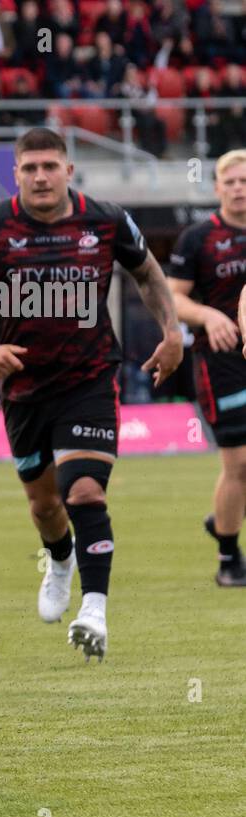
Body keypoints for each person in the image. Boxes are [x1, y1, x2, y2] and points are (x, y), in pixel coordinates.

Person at [0, 127, 183, 661]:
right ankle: (61, 558)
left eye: (50, 166)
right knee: (45, 504)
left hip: (89, 378)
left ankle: (94, 609)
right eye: (30, 168)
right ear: (17, 174)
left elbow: (148, 274)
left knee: (85, 491)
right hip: (23, 388)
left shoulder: (107, 219)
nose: (41, 176)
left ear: (69, 171)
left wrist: (171, 332)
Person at [167, 149, 246, 587]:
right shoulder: (199, 238)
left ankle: (224, 519)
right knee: (240, 463)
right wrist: (209, 316)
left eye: (244, 180)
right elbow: (173, 296)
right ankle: (228, 560)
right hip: (221, 363)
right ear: (216, 187)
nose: (238, 188)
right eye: (229, 181)